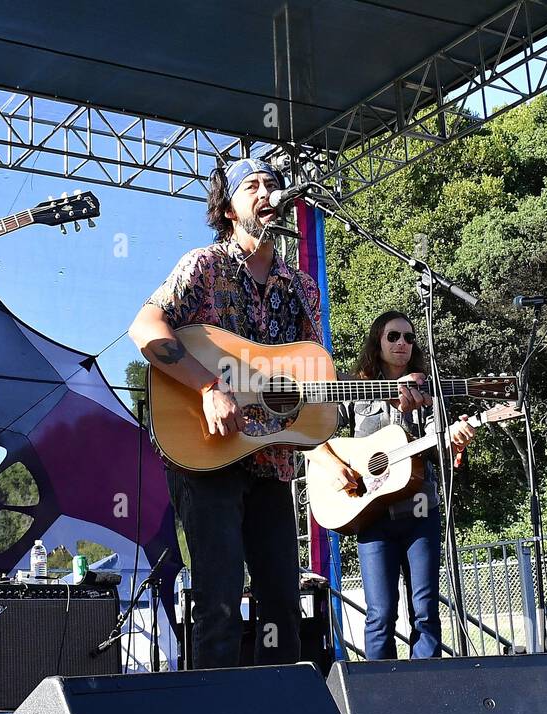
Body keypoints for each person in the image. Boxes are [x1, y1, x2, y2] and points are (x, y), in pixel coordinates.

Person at [128, 158, 322, 669]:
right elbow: (146, 329)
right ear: (229, 208)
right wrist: (210, 387)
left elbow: (313, 381)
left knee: (282, 601)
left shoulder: (302, 287)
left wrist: (379, 393)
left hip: (271, 462)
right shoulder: (203, 266)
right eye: (252, 186)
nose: (267, 193)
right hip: (204, 454)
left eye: (273, 186)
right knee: (218, 601)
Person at [310, 311, 474, 659]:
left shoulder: (429, 390)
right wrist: (335, 464)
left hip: (419, 511)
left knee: (426, 611)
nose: (402, 343)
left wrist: (452, 438)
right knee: (380, 614)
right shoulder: (356, 389)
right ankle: (378, 697)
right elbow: (312, 432)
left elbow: (436, 443)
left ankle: (429, 691)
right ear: (378, 342)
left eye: (409, 338)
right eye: (393, 336)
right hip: (371, 513)